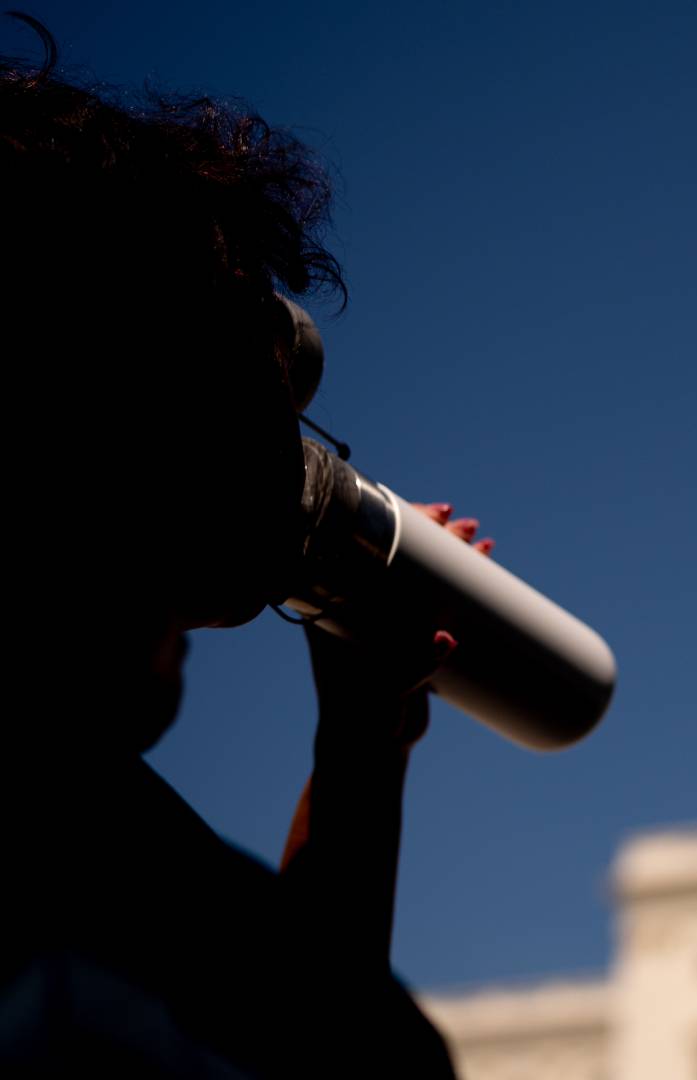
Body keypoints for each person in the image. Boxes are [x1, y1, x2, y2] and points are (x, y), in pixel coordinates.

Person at [1, 15, 472, 1075]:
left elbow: (292, 1017)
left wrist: (359, 748)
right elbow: (339, 1052)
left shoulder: (92, 837)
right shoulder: (79, 968)